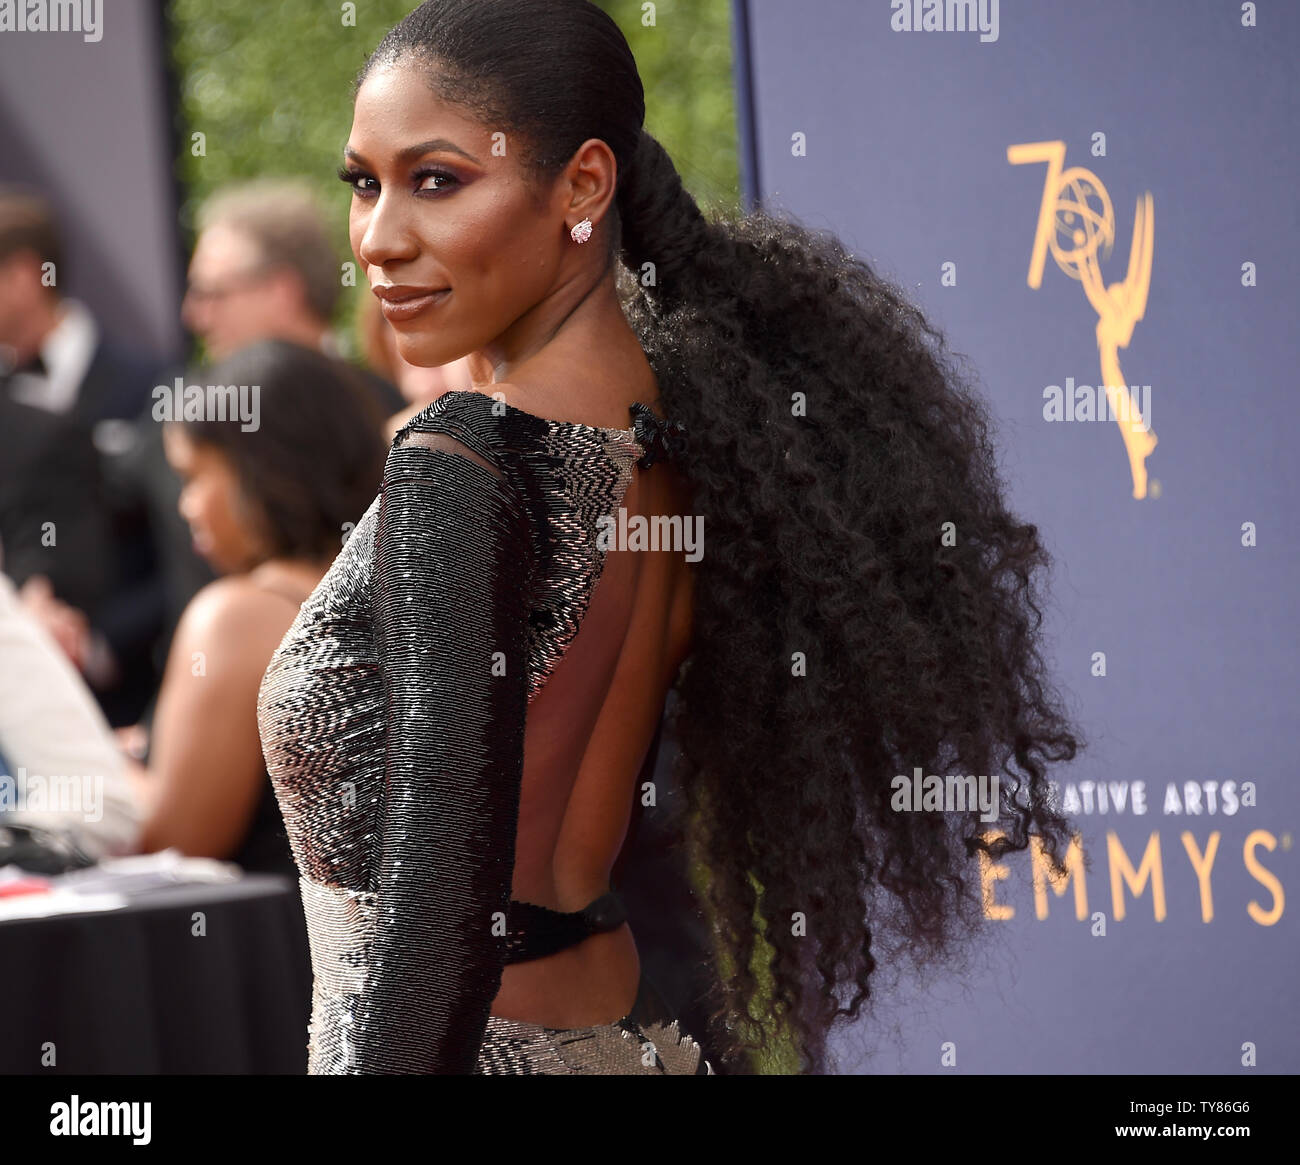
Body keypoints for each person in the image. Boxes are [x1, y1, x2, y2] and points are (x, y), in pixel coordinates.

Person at [258, 0, 1083, 1076]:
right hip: (632, 1039)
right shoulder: (675, 446)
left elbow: (442, 919)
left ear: (584, 187)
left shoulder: (465, 462)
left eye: (437, 179)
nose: (377, 237)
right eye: (362, 183)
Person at [129, 340, 387, 881]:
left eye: (194, 476)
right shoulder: (409, 590)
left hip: (280, 954)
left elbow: (177, 846)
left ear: (262, 470)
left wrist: (88, 773)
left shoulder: (234, 619)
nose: (185, 506)